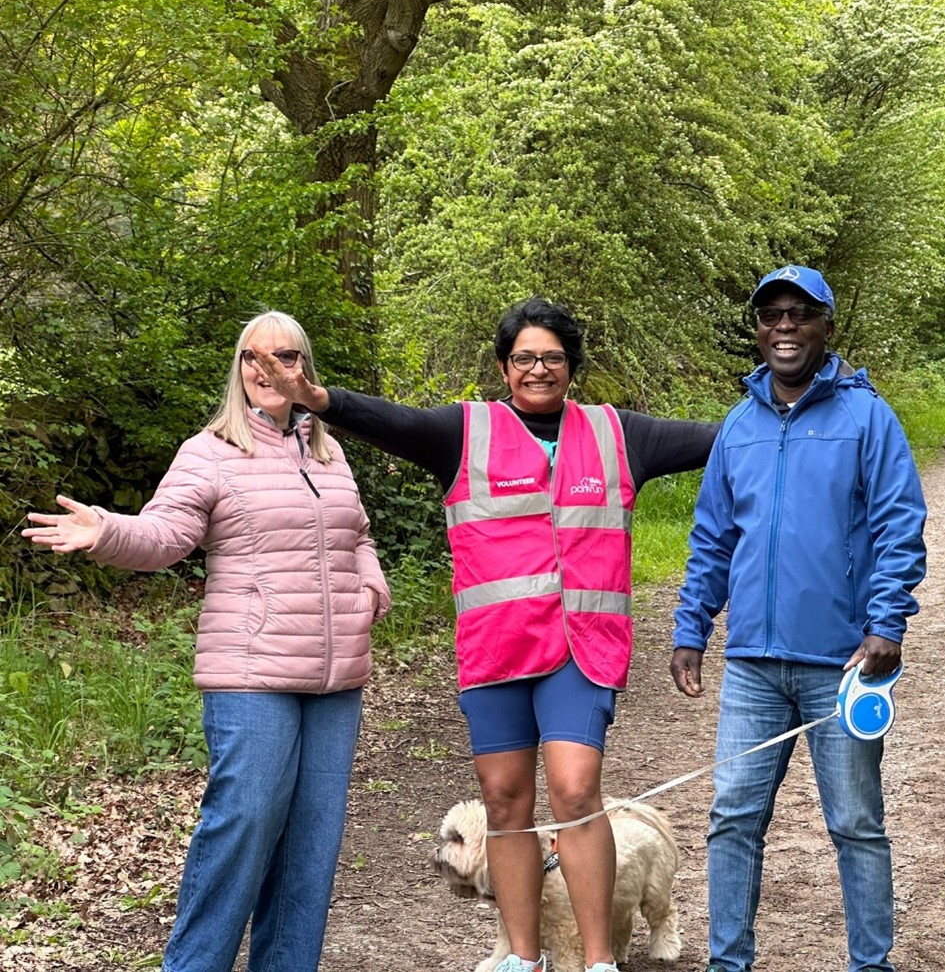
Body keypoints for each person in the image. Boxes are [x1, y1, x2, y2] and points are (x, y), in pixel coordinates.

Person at [253, 296, 718, 972]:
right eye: (524, 357)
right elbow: (394, 422)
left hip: (581, 647)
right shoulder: (461, 432)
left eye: (552, 358)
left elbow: (727, 437)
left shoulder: (621, 435)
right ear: (504, 366)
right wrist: (320, 398)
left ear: (570, 367)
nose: (538, 369)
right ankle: (521, 957)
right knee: (505, 800)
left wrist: (790, 395)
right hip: (497, 650)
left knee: (576, 789)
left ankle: (596, 962)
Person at [23, 311, 391, 972]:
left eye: (282, 357)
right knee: (244, 828)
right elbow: (164, 535)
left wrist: (369, 590)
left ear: (304, 367)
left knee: (311, 847)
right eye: (252, 359)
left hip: (337, 681)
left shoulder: (328, 453)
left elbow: (356, 535)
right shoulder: (210, 452)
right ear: (239, 370)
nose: (266, 370)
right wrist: (105, 530)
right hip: (251, 675)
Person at [670, 265, 928, 972]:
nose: (783, 326)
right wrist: (692, 626)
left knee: (854, 824)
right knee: (731, 820)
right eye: (769, 314)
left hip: (842, 664)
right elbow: (713, 535)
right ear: (756, 330)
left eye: (799, 313)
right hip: (752, 665)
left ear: (826, 327)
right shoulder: (738, 425)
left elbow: (898, 526)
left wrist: (886, 625)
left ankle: (869, 965)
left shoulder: (865, 417)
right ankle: (729, 964)